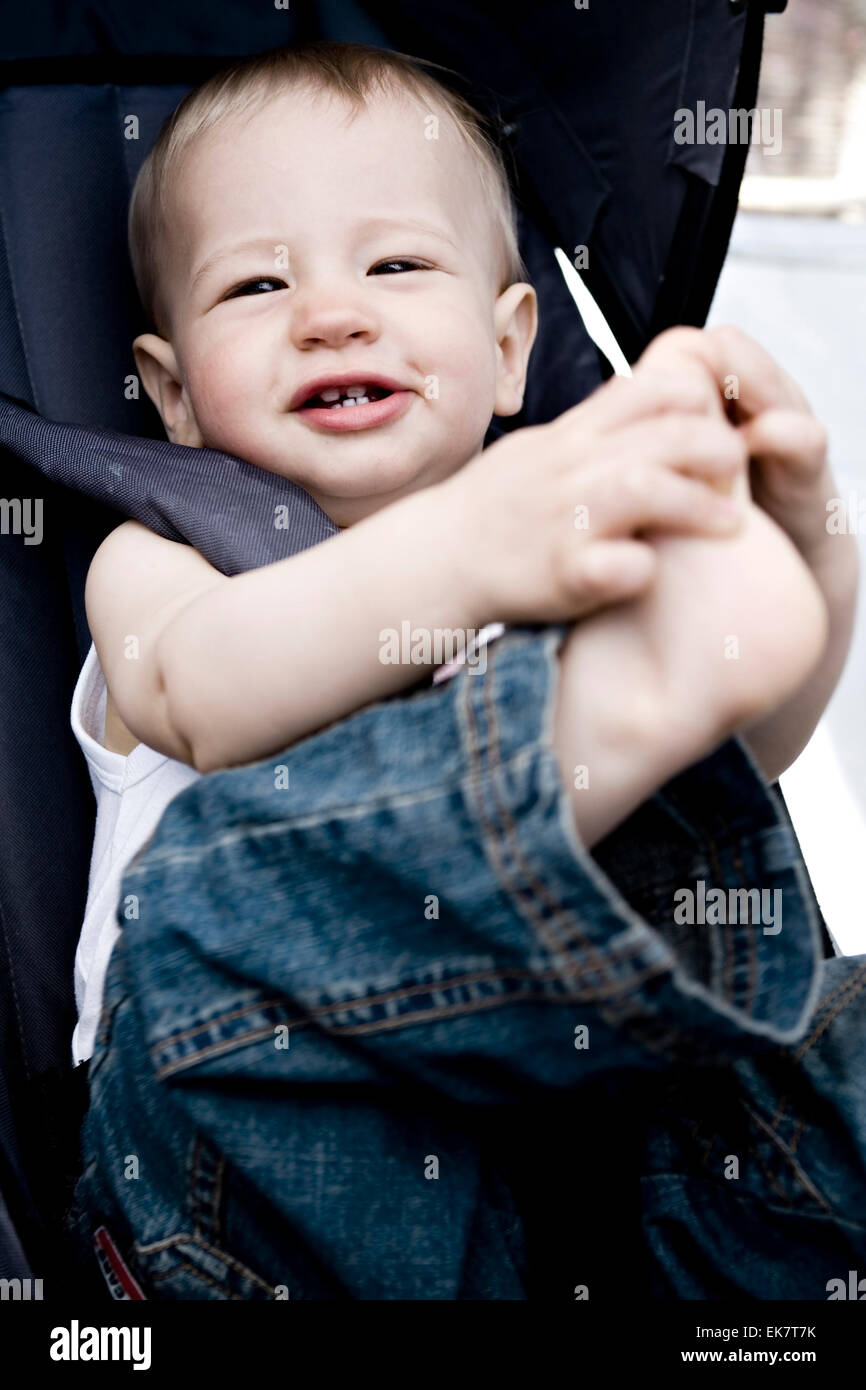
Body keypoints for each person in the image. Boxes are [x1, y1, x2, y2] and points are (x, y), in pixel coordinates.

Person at [64, 41, 864, 1299]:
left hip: (600, 1150)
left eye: (393, 265)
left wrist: (811, 549)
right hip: (257, 1148)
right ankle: (554, 740)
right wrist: (474, 546)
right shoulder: (162, 556)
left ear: (509, 349)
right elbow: (197, 693)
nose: (331, 311)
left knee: (811, 1033)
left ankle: (585, 743)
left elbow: (740, 761)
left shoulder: (556, 540)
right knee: (208, 909)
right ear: (168, 391)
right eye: (256, 285)